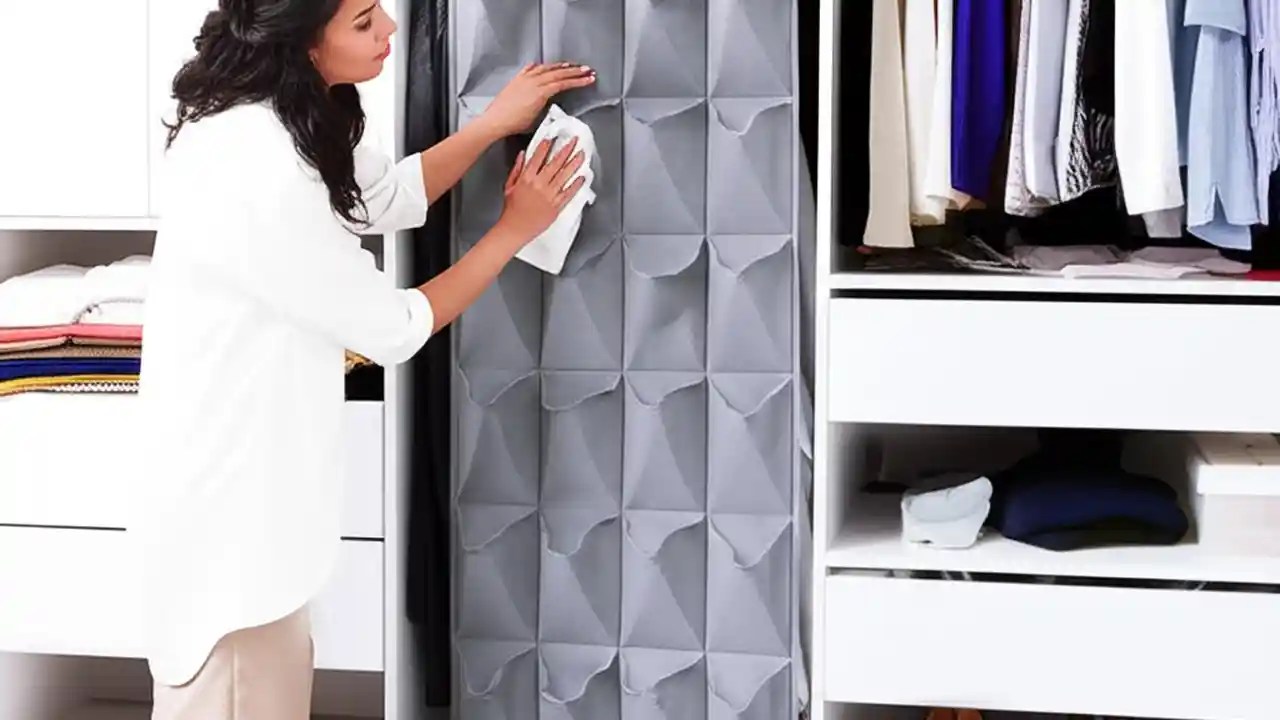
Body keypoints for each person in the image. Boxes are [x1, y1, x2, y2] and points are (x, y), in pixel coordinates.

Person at [130, 0, 594, 717]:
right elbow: (395, 326)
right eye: (363, 20)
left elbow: (383, 195)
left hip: (240, 521)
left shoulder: (267, 117)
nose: (390, 28)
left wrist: (492, 125)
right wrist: (512, 229)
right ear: (306, 43)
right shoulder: (260, 165)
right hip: (231, 537)